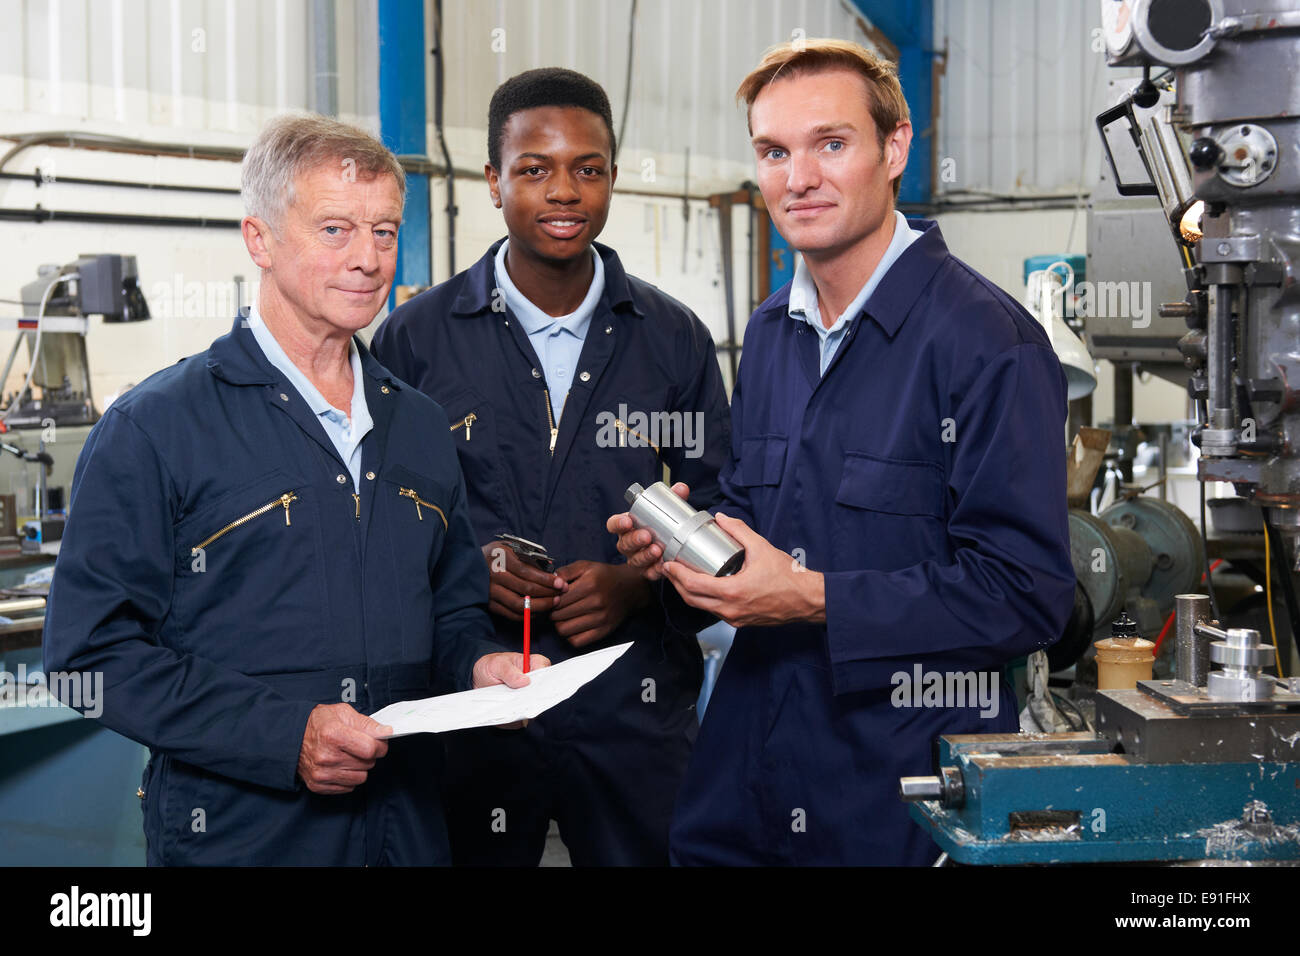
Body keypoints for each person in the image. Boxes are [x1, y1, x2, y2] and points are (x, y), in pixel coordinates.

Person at [609, 39, 1075, 865]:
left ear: (894, 149)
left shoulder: (985, 341)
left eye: (831, 144)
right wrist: (689, 552)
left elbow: (1026, 594)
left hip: (897, 798)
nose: (799, 178)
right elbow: (759, 518)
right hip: (744, 779)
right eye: (774, 152)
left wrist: (816, 597)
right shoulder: (770, 331)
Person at [42, 114, 545, 866]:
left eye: (384, 231)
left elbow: (452, 610)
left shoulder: (421, 426)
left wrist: (481, 666)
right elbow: (88, 662)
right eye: (335, 229)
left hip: (407, 829)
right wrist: (285, 737)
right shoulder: (157, 427)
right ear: (260, 239)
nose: (369, 259)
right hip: (241, 840)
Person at [370, 68, 731, 866]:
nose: (563, 191)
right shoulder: (416, 341)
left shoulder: (672, 340)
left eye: (588, 169)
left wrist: (637, 585)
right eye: (534, 169)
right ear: (493, 181)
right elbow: (383, 524)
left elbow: (725, 513)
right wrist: (472, 568)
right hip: (476, 708)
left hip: (633, 710)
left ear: (610, 178)